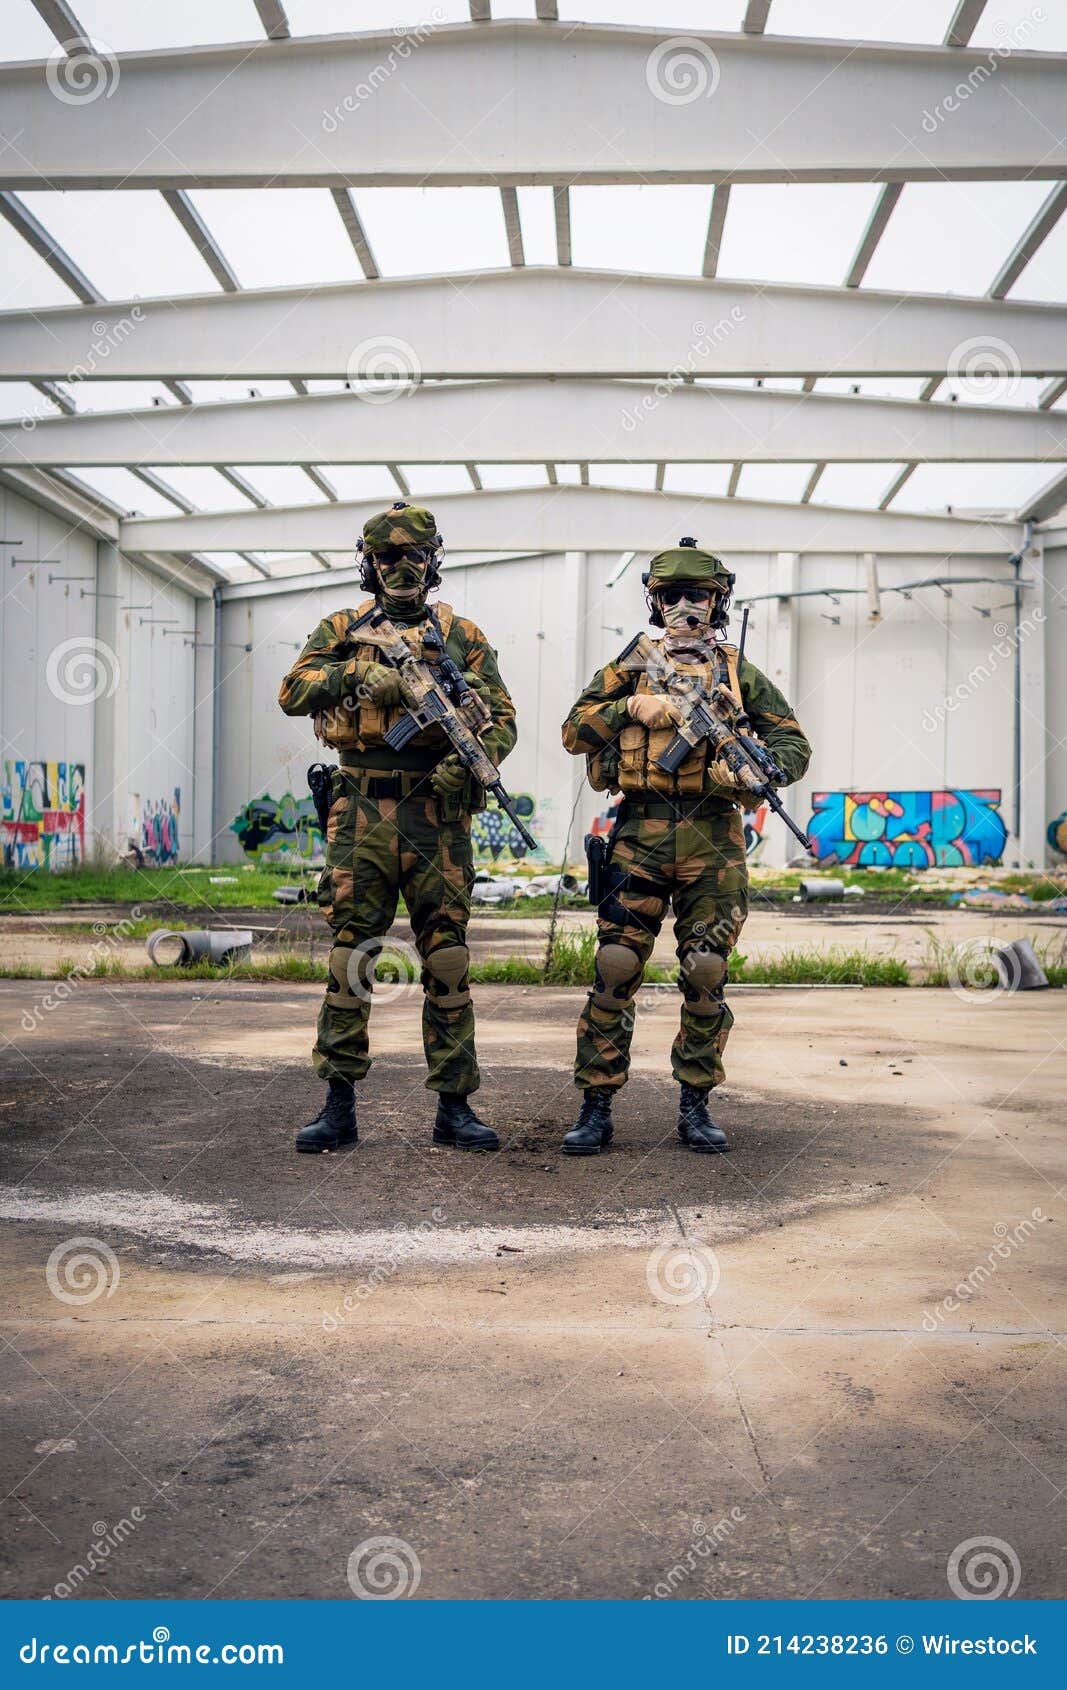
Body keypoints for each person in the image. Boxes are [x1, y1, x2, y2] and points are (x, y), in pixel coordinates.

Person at [278, 502, 517, 1154]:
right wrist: (363, 675)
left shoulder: (461, 635)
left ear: (433, 559)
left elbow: (501, 721)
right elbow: (293, 690)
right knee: (351, 956)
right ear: (370, 563)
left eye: (415, 555)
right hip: (359, 810)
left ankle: (454, 1106)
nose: (402, 567)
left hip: (435, 815)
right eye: (389, 557)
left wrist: (465, 775)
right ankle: (338, 1103)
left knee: (446, 958)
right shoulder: (341, 628)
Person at [561, 538, 811, 1155]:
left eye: (697, 595)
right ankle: (596, 1105)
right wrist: (630, 707)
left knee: (705, 972)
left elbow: (794, 750)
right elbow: (574, 731)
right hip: (639, 834)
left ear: (718, 600)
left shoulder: (738, 673)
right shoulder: (630, 664)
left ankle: (695, 1104)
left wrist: (752, 769)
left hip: (714, 837)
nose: (685, 607)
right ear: (655, 600)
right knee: (615, 969)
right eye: (671, 596)